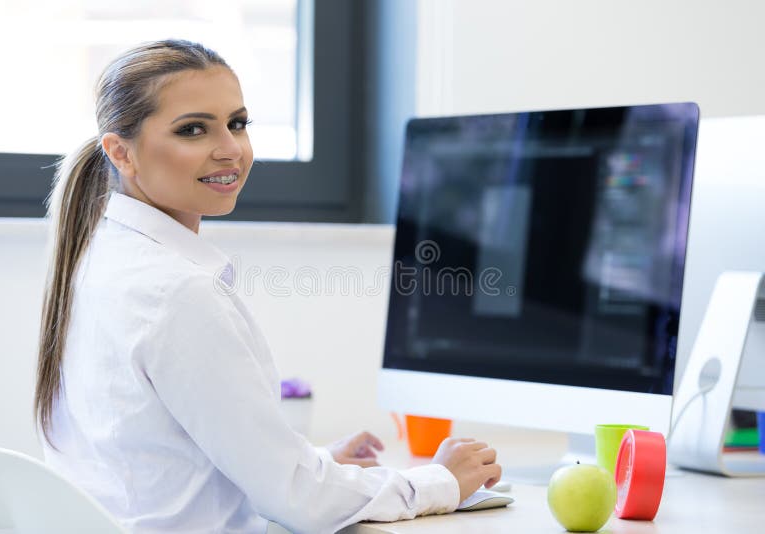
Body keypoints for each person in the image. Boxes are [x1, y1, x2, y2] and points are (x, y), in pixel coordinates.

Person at [34, 39, 502, 533]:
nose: (230, 149)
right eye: (193, 129)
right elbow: (297, 503)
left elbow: (161, 456)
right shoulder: (176, 292)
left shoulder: (100, 260)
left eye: (237, 123)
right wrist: (440, 482)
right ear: (121, 153)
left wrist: (302, 461)